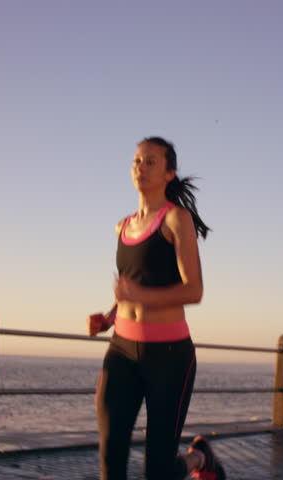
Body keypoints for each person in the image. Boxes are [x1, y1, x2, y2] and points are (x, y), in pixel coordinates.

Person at [87, 137, 225, 480]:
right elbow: (130, 286)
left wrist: (138, 296)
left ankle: (198, 460)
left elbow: (194, 290)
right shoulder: (122, 226)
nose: (141, 167)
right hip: (121, 350)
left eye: (151, 161)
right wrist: (108, 317)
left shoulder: (176, 220)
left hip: (169, 356)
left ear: (169, 173)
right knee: (111, 454)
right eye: (137, 160)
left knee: (158, 470)